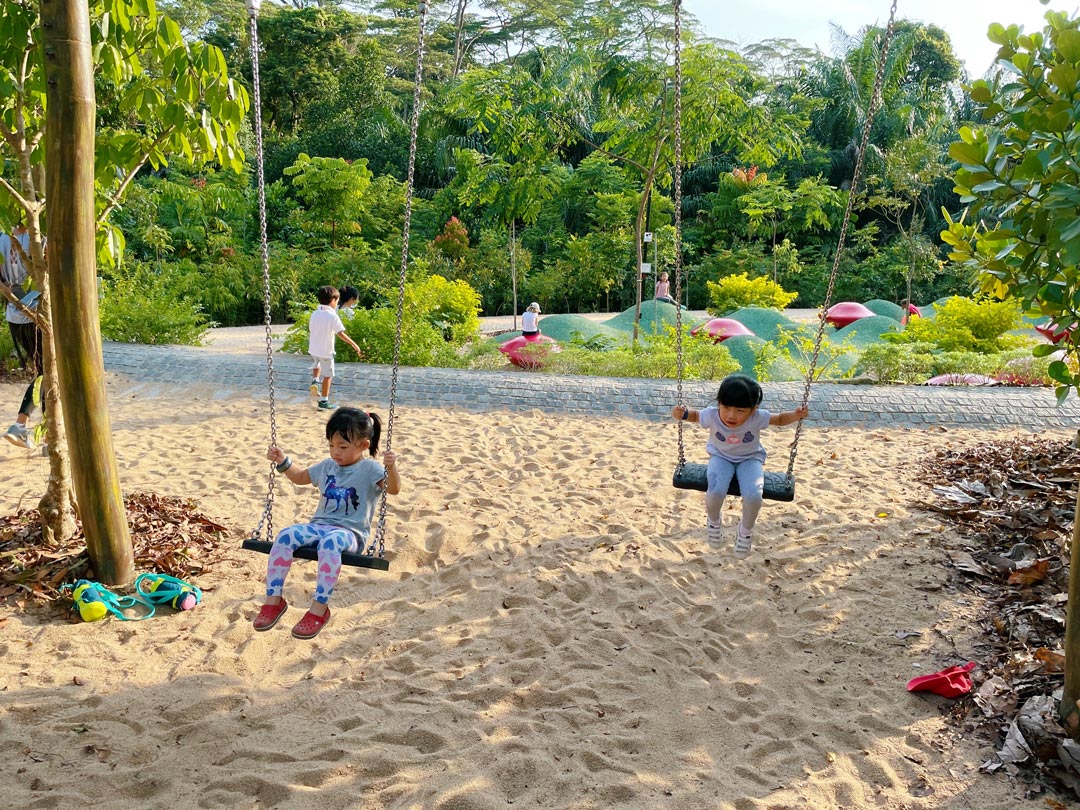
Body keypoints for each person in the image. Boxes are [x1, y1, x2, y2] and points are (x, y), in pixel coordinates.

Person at [254, 407, 401, 639]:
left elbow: (393, 489)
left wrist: (391, 467)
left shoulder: (371, 468)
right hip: (319, 526)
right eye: (332, 446)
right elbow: (301, 477)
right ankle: (273, 601)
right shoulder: (327, 466)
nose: (336, 452)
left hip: (350, 534)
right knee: (285, 535)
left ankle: (318, 609)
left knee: (330, 543)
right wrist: (283, 461)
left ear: (363, 445)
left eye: (343, 447)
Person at [672, 374, 808, 559]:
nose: (731, 415)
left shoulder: (757, 418)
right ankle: (713, 522)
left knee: (753, 495)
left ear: (753, 410)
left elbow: (780, 419)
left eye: (740, 410)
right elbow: (695, 415)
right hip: (720, 457)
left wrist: (796, 415)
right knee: (715, 491)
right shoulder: (712, 414)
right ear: (719, 403)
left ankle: (745, 532)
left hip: (750, 459)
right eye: (726, 407)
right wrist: (683, 414)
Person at [3, 223, 44, 450]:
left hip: (15, 316)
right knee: (48, 373)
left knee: (45, 372)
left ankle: (45, 436)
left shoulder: (3, 238)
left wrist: (12, 296)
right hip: (36, 316)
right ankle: (23, 425)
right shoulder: (40, 238)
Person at [308, 285, 362, 409]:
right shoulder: (332, 316)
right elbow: (341, 333)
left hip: (314, 349)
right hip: (326, 350)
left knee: (317, 363)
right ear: (332, 300)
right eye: (337, 300)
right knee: (328, 375)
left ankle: (315, 380)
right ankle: (324, 401)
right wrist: (354, 344)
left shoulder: (315, 314)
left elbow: (312, 329)